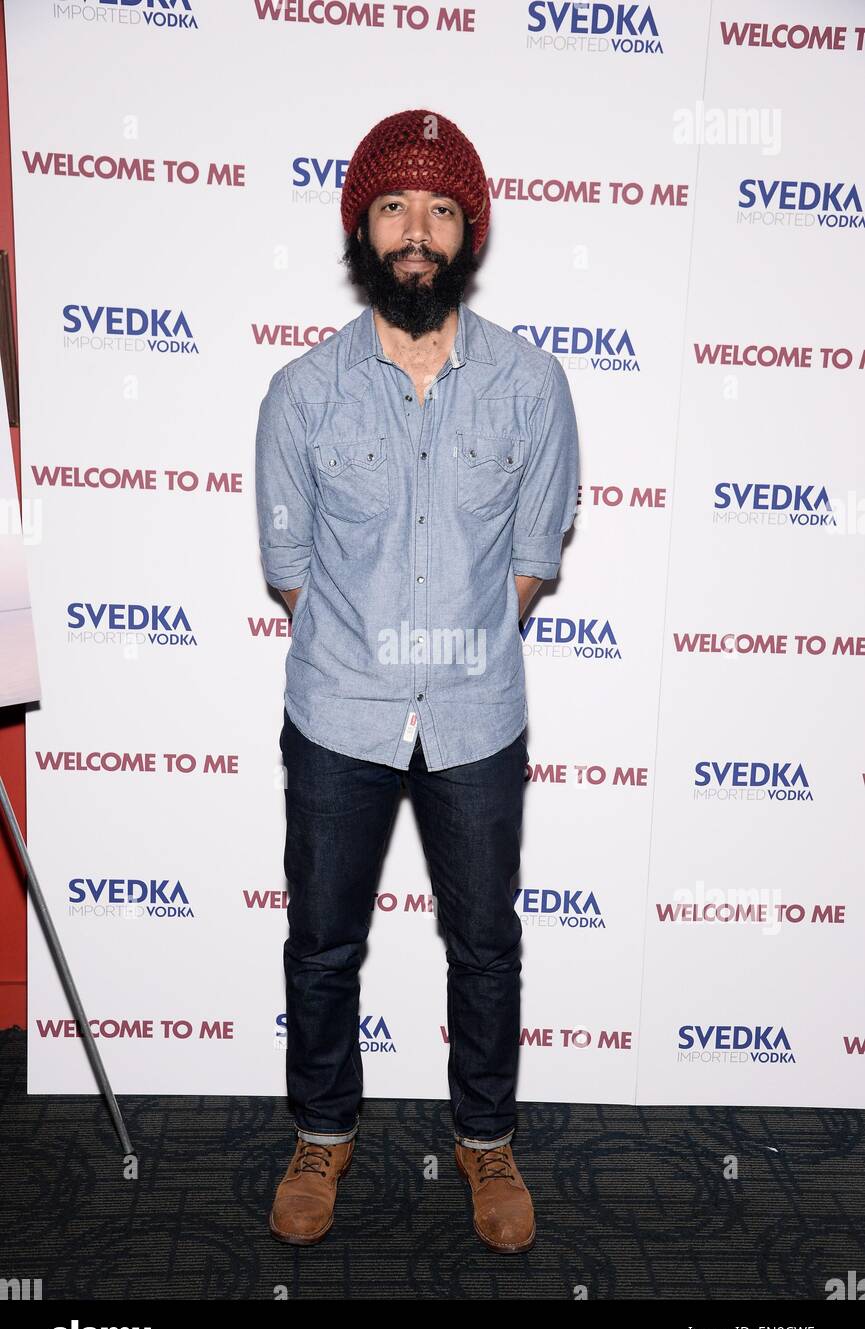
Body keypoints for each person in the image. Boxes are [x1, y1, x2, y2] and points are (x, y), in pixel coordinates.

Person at [255, 108, 579, 1253]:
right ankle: (321, 1132)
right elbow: (290, 570)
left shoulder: (532, 387)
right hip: (336, 711)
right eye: (393, 206)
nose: (415, 231)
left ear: (468, 233)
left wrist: (449, 649)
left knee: (485, 944)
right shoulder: (302, 393)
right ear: (361, 226)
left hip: (477, 715)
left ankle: (485, 1140)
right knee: (321, 944)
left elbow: (531, 562)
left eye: (440, 210)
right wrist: (374, 653)